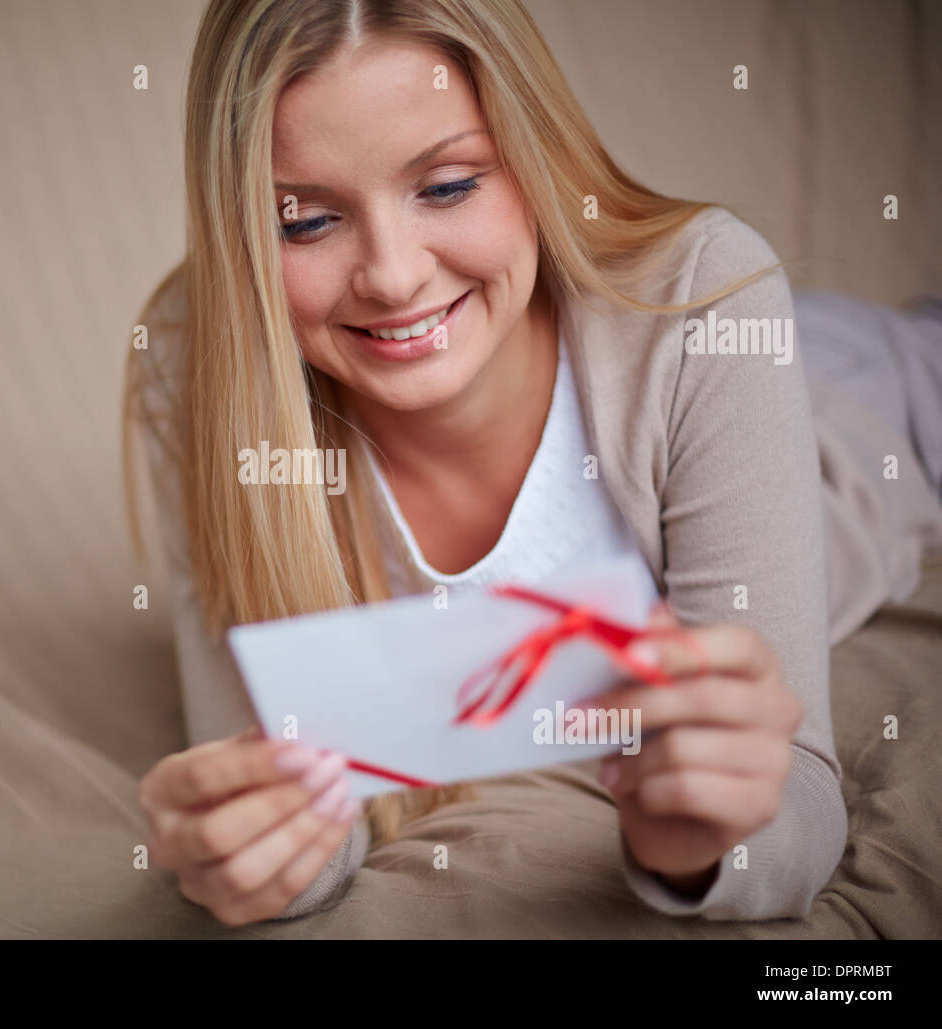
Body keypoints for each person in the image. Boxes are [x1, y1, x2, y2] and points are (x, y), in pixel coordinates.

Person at [123, 0, 942, 929]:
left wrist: (701, 847)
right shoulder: (200, 361)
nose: (392, 276)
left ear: (535, 157)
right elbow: (278, 780)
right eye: (306, 222)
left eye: (447, 187)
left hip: (873, 395)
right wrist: (260, 856)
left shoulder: (713, 308)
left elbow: (795, 783)